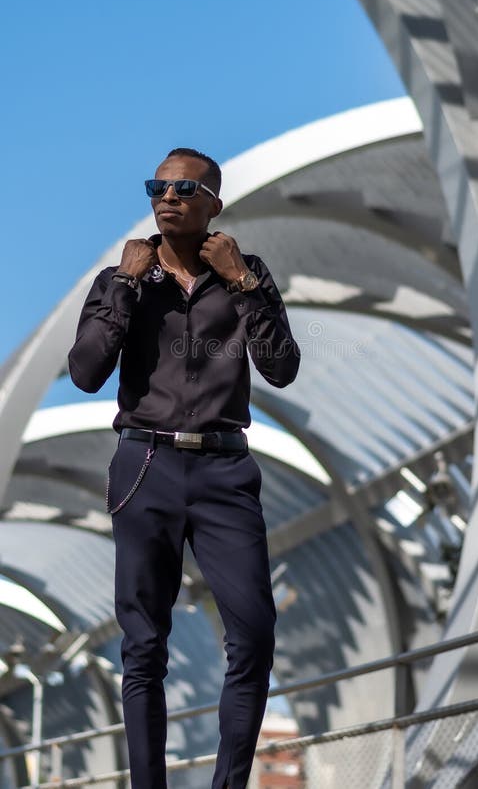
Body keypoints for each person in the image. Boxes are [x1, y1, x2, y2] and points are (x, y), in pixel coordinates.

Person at [68, 147, 301, 789]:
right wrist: (123, 286)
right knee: (144, 645)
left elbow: (282, 367)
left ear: (213, 204)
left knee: (254, 635)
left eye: (184, 189)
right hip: (145, 465)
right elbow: (85, 372)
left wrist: (243, 283)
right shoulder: (123, 280)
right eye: (158, 187)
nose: (167, 197)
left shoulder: (247, 274)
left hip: (226, 472)